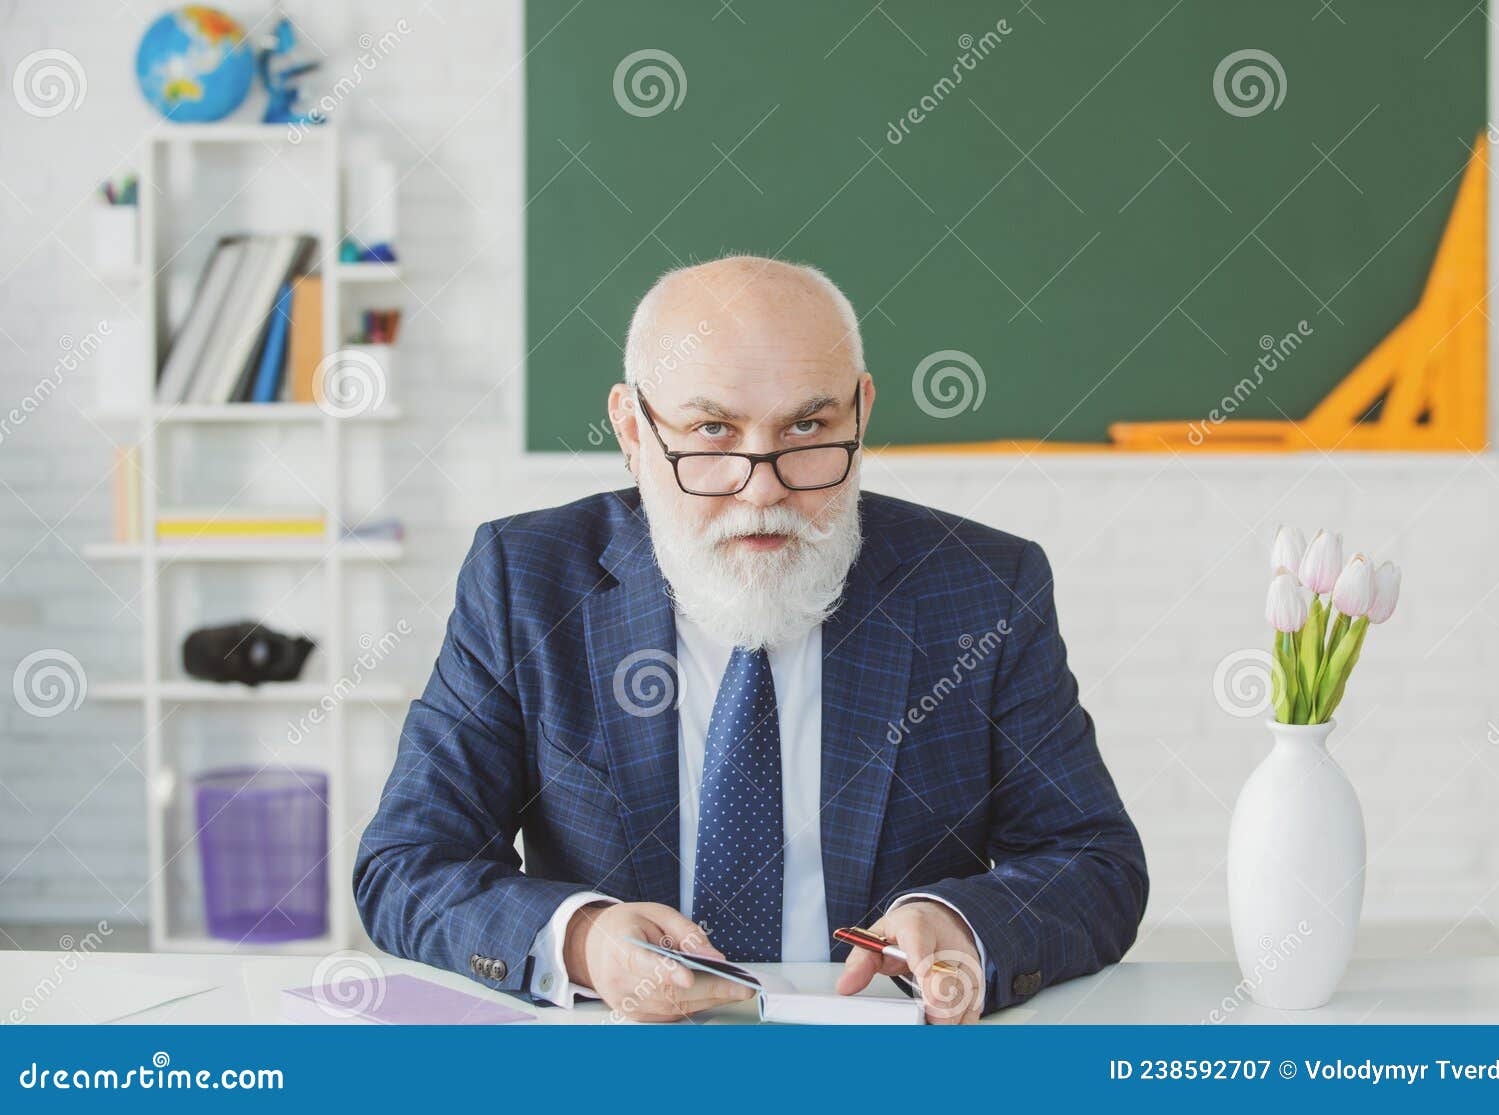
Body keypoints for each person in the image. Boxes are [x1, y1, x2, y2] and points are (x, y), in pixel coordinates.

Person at [354, 255, 1148, 1023]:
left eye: (807, 426)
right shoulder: (526, 580)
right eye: (712, 430)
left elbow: (1095, 862)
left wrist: (962, 923)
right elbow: (408, 864)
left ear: (862, 413)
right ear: (631, 427)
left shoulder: (982, 585)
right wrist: (586, 941)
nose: (763, 488)